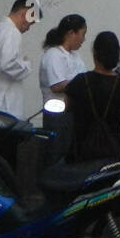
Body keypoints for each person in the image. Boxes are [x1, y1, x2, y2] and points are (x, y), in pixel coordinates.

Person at [64, 31, 120, 162]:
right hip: (113, 151)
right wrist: (113, 116)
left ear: (95, 54)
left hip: (81, 151)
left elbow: (68, 107)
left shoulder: (80, 81)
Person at [39, 14, 87, 166]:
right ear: (71, 34)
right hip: (57, 115)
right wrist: (81, 82)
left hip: (73, 114)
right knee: (57, 155)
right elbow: (57, 85)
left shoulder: (75, 56)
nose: (83, 40)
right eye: (82, 34)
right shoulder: (54, 55)